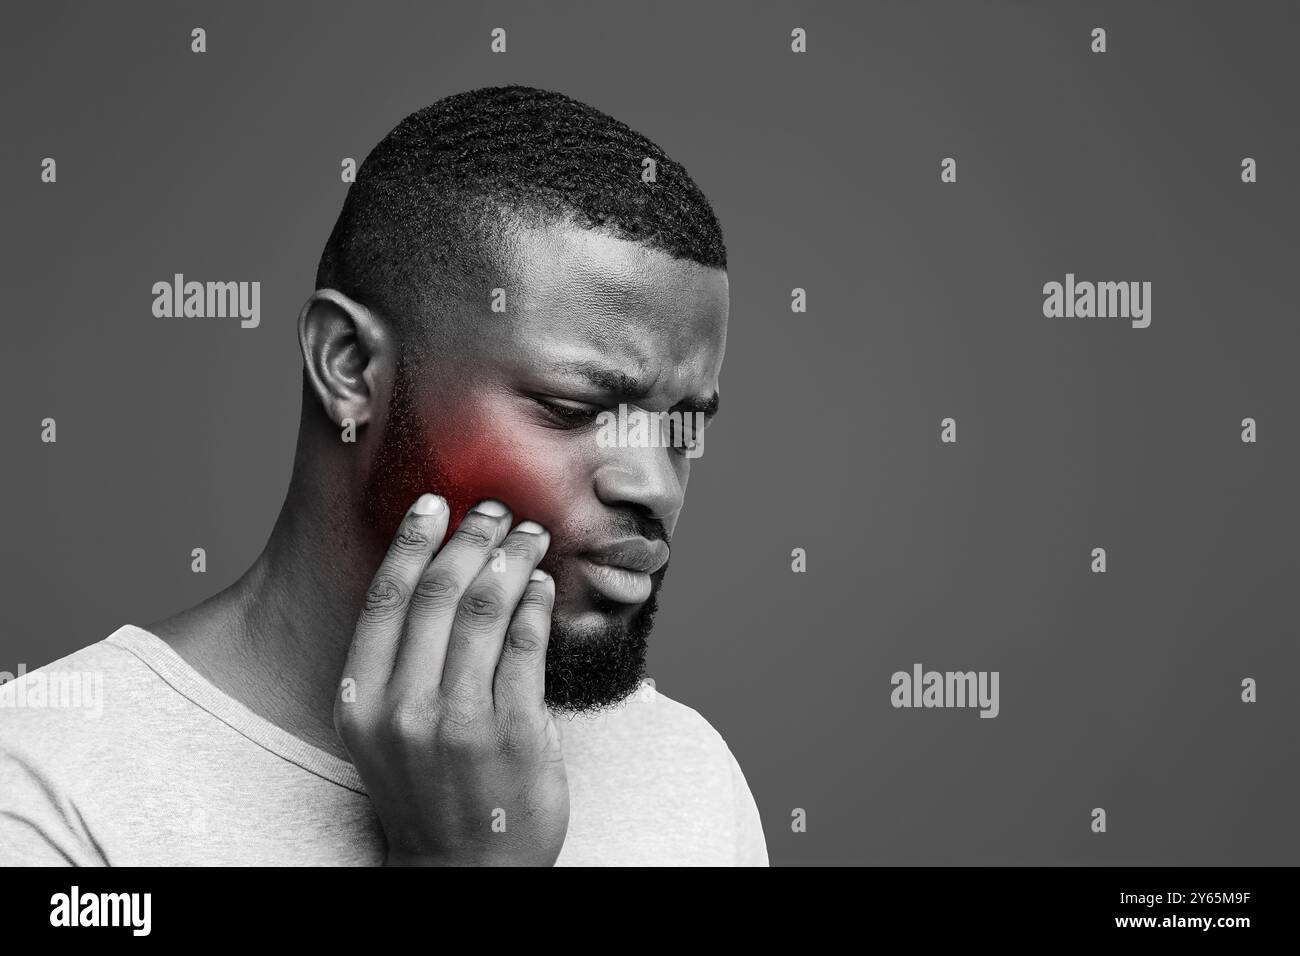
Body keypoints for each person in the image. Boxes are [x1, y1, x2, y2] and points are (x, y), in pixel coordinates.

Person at [0, 85, 767, 866]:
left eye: (684, 426)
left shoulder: (688, 774)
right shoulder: (47, 793)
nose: (657, 488)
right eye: (573, 407)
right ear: (349, 366)